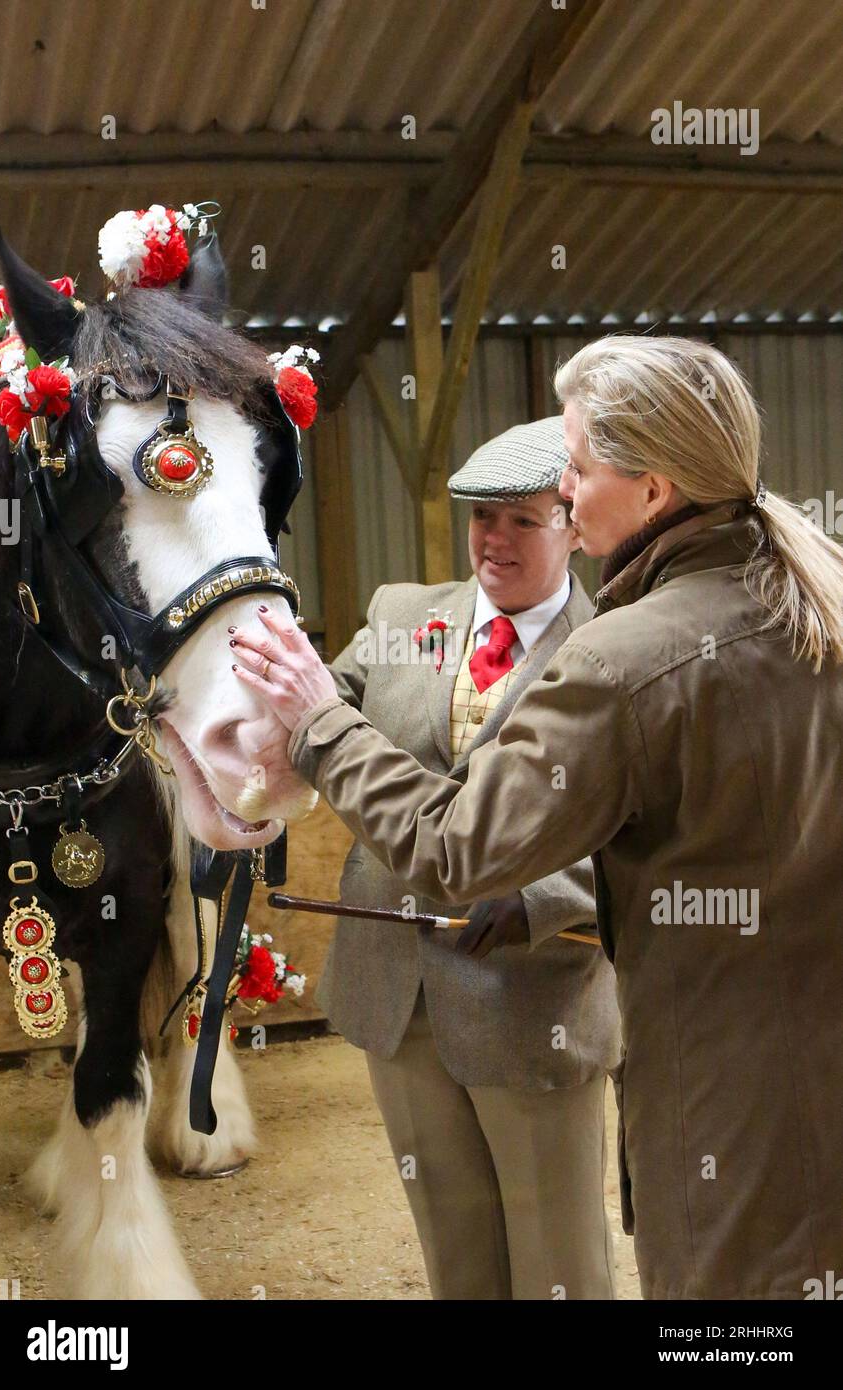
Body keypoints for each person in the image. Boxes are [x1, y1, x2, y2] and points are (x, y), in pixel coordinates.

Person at [230, 334, 843, 1300]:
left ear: (654, 491)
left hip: (697, 1073)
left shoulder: (621, 655)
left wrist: (318, 723)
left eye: (578, 473)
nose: (560, 492)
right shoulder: (808, 604)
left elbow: (456, 844)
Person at [285, 418, 620, 1300]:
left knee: (558, 1254)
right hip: (396, 992)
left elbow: (647, 818)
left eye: (520, 520)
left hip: (529, 993)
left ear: (574, 525)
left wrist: (546, 897)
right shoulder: (402, 616)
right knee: (452, 1238)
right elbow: (311, 716)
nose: (493, 540)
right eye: (481, 518)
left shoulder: (616, 647)